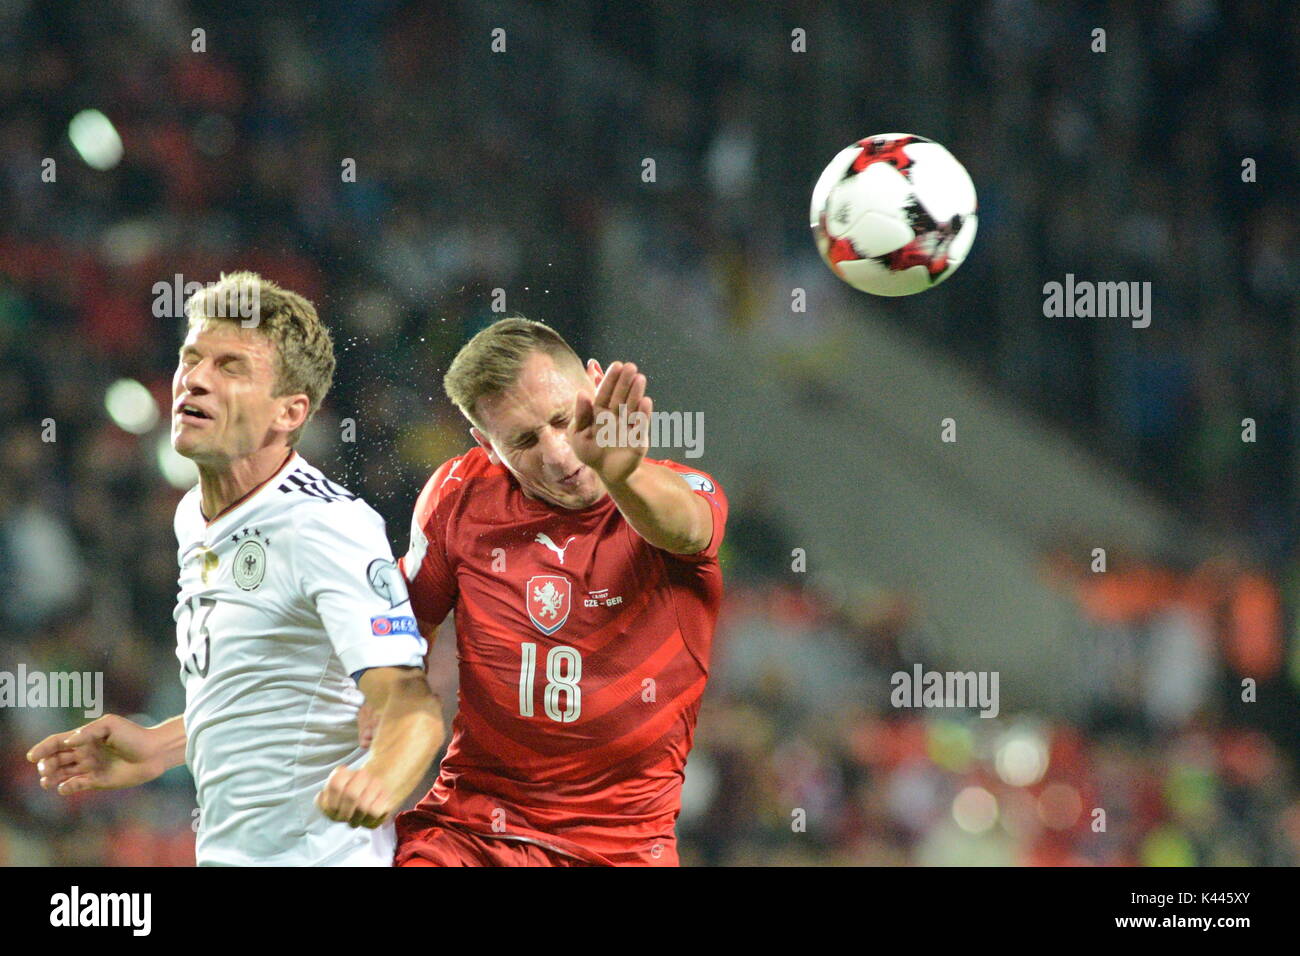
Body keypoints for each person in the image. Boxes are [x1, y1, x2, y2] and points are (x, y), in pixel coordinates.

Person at [27, 272, 443, 866]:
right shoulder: (192, 518)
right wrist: (157, 747)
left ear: (288, 412)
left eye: (230, 367)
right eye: (190, 359)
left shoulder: (325, 526)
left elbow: (411, 705)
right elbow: (264, 695)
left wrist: (382, 778)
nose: (194, 379)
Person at [396, 316, 727, 866]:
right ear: (486, 444)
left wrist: (622, 474)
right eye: (524, 440)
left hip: (622, 849)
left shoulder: (678, 494)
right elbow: (401, 636)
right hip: (471, 833)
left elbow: (684, 527)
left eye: (564, 419)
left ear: (596, 385)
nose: (557, 454)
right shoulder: (458, 498)